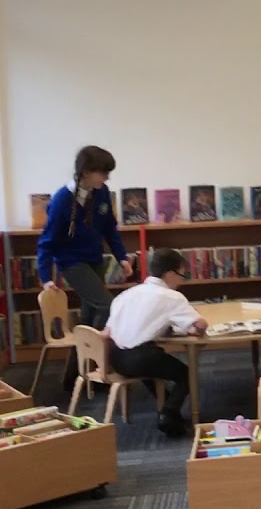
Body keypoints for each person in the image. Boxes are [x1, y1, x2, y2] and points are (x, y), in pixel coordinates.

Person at [38, 145, 133, 388]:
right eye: (103, 172)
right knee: (107, 305)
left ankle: (74, 378)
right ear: (87, 172)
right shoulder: (62, 201)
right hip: (71, 262)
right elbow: (47, 241)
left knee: (89, 319)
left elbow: (109, 228)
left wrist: (121, 256)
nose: (107, 177)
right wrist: (46, 277)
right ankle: (102, 364)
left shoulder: (101, 193)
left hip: (94, 260)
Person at [105, 248, 207, 437]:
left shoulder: (126, 294)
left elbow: (106, 332)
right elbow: (201, 323)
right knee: (187, 375)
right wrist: (196, 331)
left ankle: (169, 409)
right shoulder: (171, 296)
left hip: (116, 358)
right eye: (181, 275)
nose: (181, 280)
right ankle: (168, 414)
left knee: (151, 371)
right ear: (169, 274)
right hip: (142, 358)